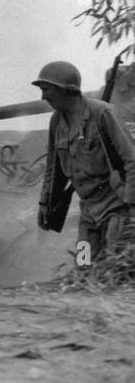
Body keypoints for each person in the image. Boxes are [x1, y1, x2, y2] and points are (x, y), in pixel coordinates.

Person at [34, 60, 135, 261]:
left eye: (47, 89)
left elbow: (131, 159)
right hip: (88, 211)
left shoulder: (102, 113)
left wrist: (131, 203)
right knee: (83, 262)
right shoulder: (56, 121)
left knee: (115, 264)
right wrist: (45, 203)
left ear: (67, 90)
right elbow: (53, 169)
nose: (43, 96)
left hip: (117, 206)